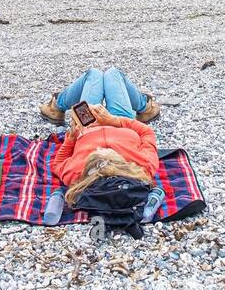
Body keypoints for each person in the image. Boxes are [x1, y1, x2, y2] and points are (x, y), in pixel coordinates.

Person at [40, 69, 164, 232]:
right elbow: (146, 133)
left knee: (94, 75)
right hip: (121, 119)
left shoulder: (78, 175)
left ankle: (56, 106)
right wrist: (115, 121)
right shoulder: (142, 168)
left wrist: (71, 137)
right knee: (113, 73)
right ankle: (145, 106)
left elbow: (58, 162)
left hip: (87, 124)